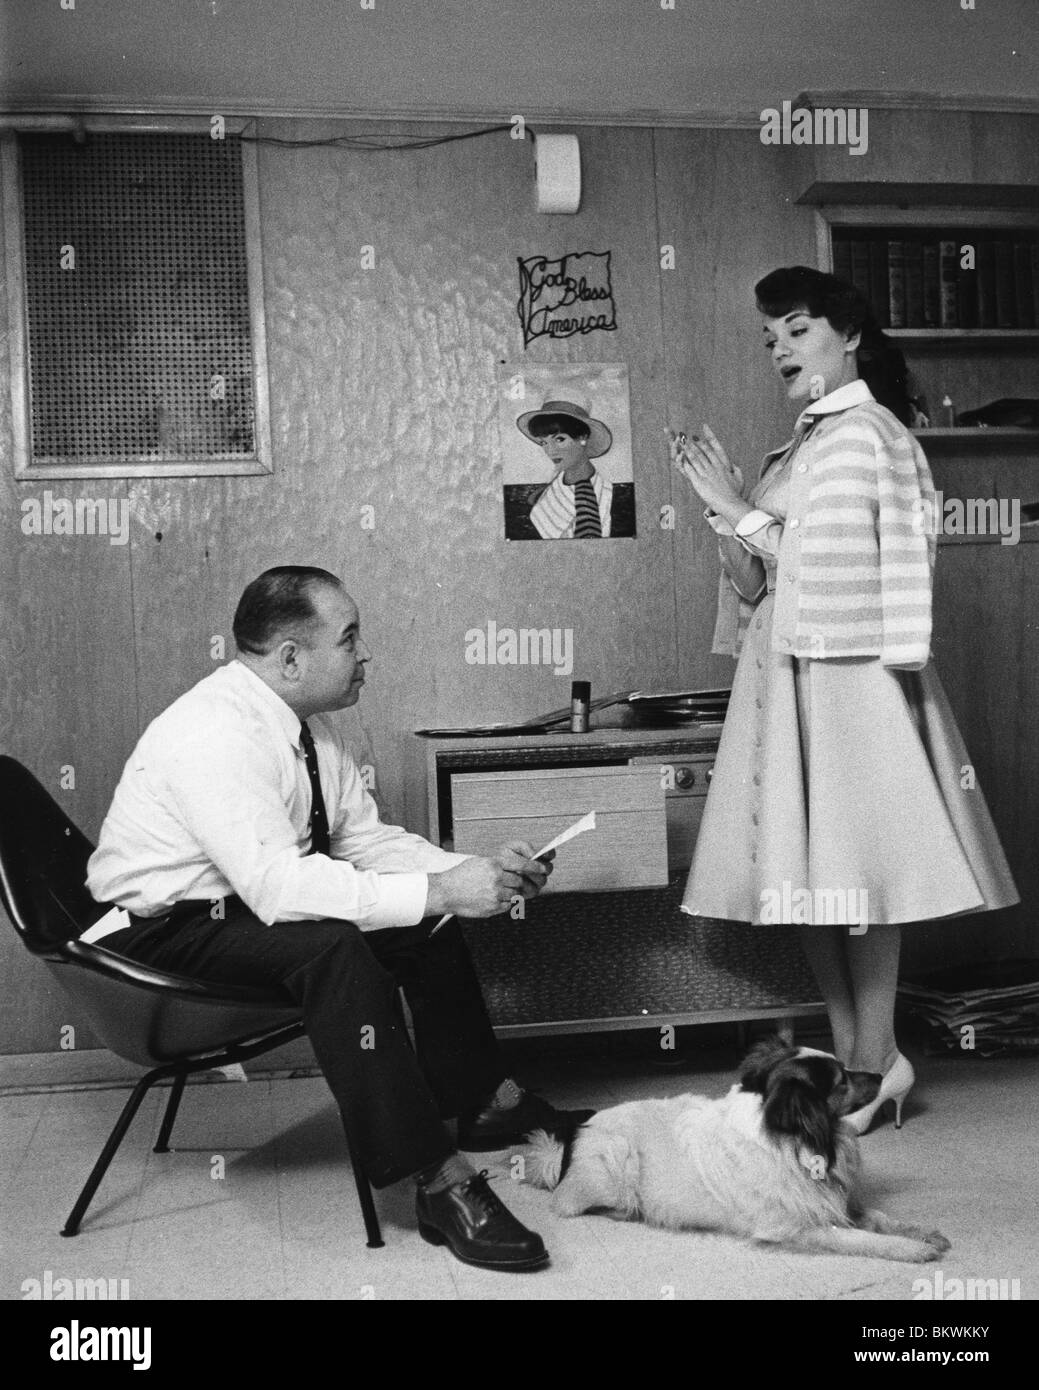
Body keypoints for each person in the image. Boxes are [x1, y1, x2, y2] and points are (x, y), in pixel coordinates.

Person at [84, 565, 593, 1272]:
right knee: (331, 949)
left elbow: (364, 841)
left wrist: (463, 873)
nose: (365, 655)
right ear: (290, 658)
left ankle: (484, 1101)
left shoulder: (310, 729)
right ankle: (438, 1181)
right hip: (165, 935)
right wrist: (442, 891)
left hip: (239, 910)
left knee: (423, 921)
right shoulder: (212, 733)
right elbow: (278, 887)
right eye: (350, 638)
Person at [670, 266, 1018, 1133]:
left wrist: (731, 504)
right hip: (787, 677)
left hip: (849, 677)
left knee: (858, 873)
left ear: (848, 335)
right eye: (770, 339)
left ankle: (874, 1060)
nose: (780, 349)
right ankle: (854, 1057)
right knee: (810, 876)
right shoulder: (803, 442)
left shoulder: (870, 432)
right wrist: (724, 511)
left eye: (797, 329)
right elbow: (757, 580)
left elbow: (832, 566)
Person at [518, 396, 621, 538]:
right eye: (544, 443)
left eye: (559, 439)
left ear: (583, 437)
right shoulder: (544, 494)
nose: (550, 451)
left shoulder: (613, 495)